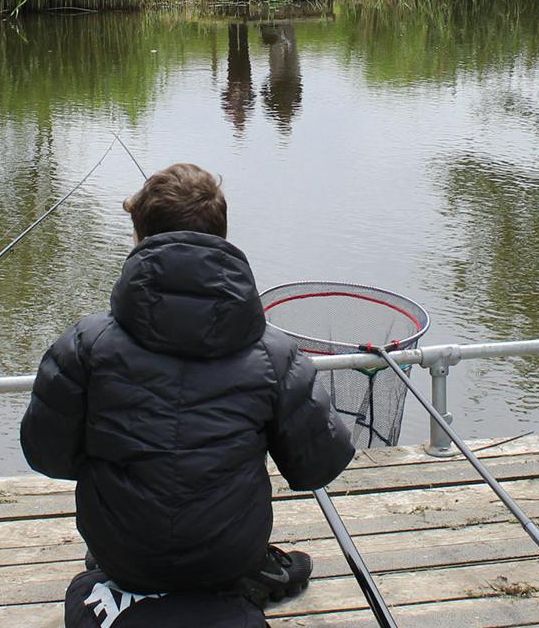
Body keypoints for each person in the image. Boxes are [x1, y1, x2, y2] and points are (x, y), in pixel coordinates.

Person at [21, 163, 355, 625]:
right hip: (228, 557)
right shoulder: (275, 355)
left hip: (121, 553)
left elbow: (46, 456)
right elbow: (319, 465)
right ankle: (248, 577)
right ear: (221, 237)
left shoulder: (84, 344)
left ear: (140, 238)